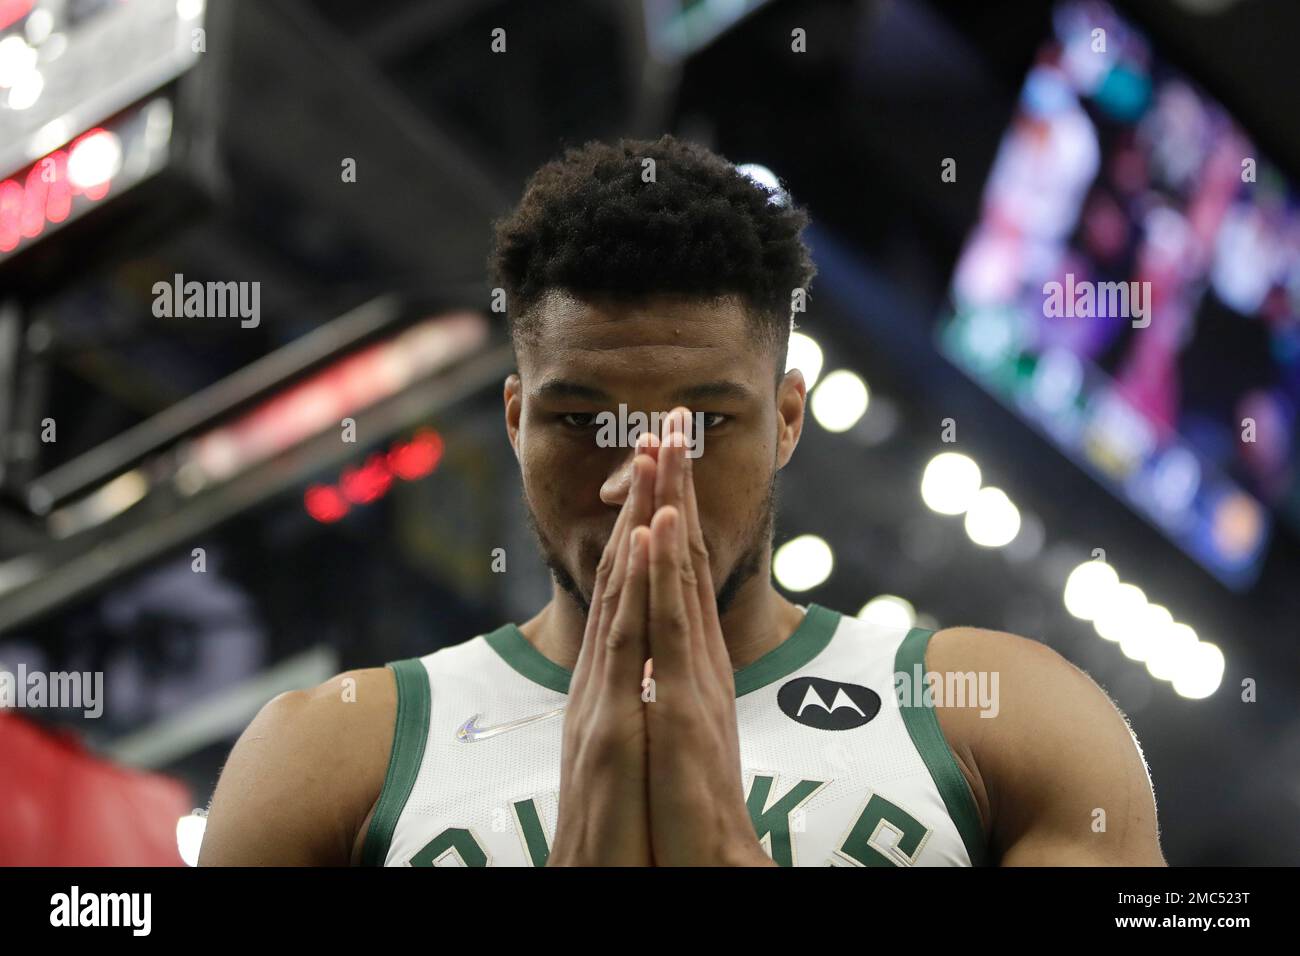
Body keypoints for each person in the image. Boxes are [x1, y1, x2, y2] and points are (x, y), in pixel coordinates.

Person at [199, 135, 1164, 866]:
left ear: (788, 420)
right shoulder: (332, 752)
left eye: (700, 425)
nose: (637, 480)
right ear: (514, 418)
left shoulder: (1002, 720)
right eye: (583, 422)